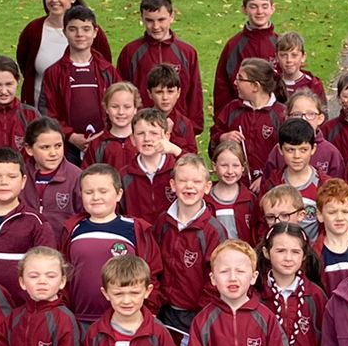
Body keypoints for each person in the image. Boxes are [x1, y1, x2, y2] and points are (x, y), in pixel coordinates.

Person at [63, 165, 162, 324]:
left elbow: (152, 272)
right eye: (89, 192)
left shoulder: (135, 229)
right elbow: (63, 272)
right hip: (80, 318)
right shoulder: (72, 229)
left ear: (118, 194)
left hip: (126, 318)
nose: (96, 197)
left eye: (103, 191)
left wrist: (151, 309)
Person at [0, 148, 53, 299]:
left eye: (12, 176)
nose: (4, 182)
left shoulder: (37, 223)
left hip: (24, 308)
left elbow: (48, 269)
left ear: (23, 181)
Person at [15, 0, 114, 106]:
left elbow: (105, 64)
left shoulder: (90, 30)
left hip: (84, 106)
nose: (54, 0)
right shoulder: (33, 30)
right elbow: (24, 62)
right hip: (41, 107)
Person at [116, 0, 205, 135]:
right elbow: (121, 92)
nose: (156, 26)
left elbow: (194, 92)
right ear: (142, 18)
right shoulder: (131, 52)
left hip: (178, 130)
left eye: (161, 20)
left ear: (172, 17)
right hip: (142, 131)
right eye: (149, 20)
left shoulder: (187, 52)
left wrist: (193, 127)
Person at [154, 154, 220, 335]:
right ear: (173, 185)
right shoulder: (162, 222)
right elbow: (154, 266)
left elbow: (215, 277)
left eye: (197, 182)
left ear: (207, 187)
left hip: (195, 316)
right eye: (182, 181)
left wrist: (202, 314)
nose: (189, 186)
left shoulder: (213, 231)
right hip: (164, 313)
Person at [39, 8, 116, 157]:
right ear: (64, 32)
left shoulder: (107, 70)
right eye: (73, 29)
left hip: (103, 143)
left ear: (95, 32)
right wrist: (70, 136)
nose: (80, 34)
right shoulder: (54, 73)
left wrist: (104, 134)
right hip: (67, 147)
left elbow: (121, 106)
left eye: (86, 29)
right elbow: (47, 111)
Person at [211, 0, 281, 116]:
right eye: (253, 7)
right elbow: (222, 87)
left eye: (264, 6)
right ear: (244, 9)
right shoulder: (234, 46)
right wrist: (224, 118)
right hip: (242, 115)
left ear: (272, 8)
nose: (259, 12)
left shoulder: (280, 44)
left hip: (274, 116)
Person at [215, 57, 282, 183]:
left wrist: (266, 178)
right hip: (234, 185)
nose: (235, 83)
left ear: (255, 86)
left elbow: (287, 155)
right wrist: (222, 138)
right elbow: (213, 143)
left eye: (240, 79)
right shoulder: (231, 110)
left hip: (270, 188)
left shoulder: (281, 115)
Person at [207, 135, 260, 244]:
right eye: (224, 165)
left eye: (235, 165)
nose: (230, 171)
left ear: (243, 167)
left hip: (243, 253)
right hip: (215, 253)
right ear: (214, 166)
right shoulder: (205, 199)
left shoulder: (250, 200)